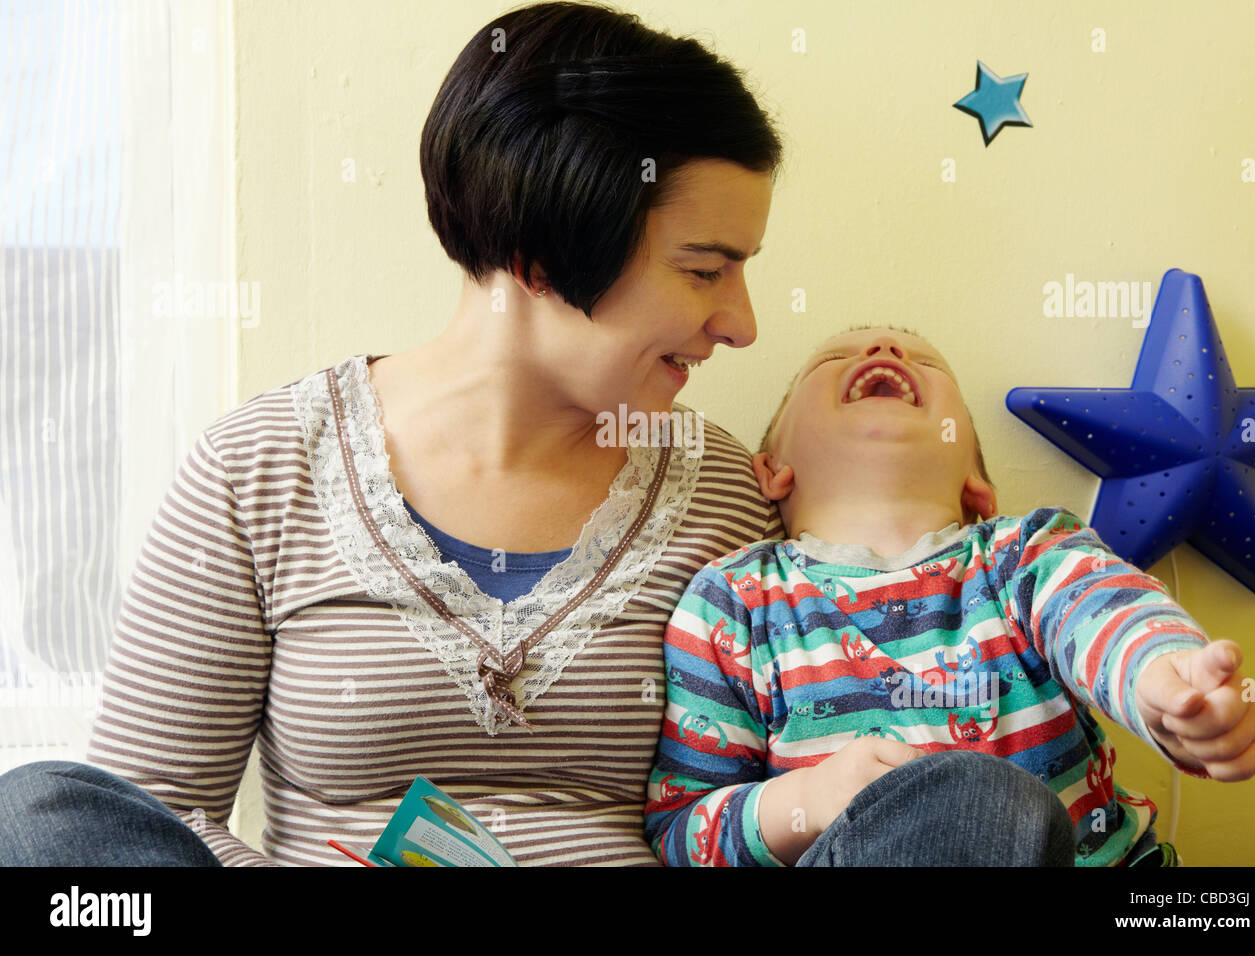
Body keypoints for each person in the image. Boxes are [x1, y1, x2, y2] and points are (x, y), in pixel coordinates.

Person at [0, 1, 785, 867]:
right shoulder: (259, 469)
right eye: (705, 269)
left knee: (944, 791)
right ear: (543, 253)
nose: (742, 324)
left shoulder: (728, 493)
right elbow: (151, 814)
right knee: (41, 809)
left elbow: (800, 789)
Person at [644, 325, 1255, 867]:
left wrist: (1164, 683)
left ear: (978, 485)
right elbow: (679, 831)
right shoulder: (733, 603)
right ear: (772, 470)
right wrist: (803, 802)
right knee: (982, 797)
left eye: (927, 363)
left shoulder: (1022, 552)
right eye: (833, 358)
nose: (884, 348)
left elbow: (1102, 606)